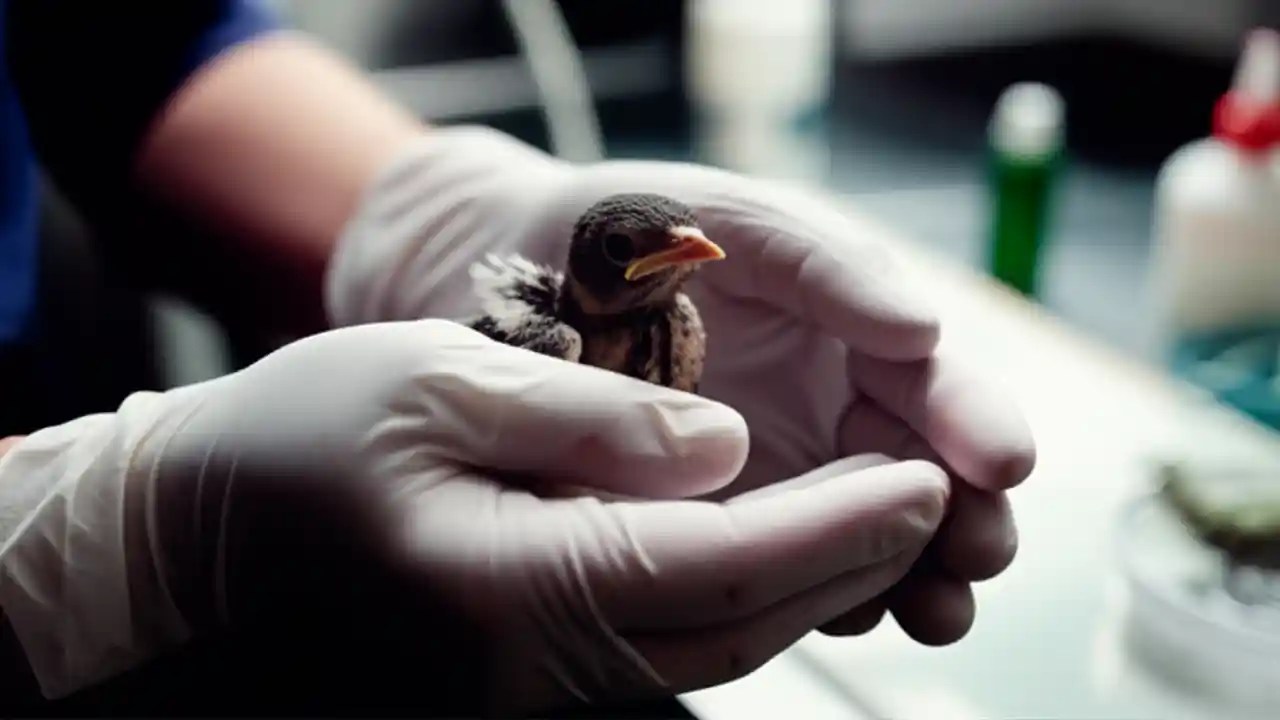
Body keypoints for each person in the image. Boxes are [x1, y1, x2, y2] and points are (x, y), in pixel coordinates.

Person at [0, 2, 1036, 715]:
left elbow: (131, 43)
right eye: (637, 251)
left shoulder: (677, 325)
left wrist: (410, 214)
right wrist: (110, 534)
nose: (684, 259)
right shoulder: (552, 337)